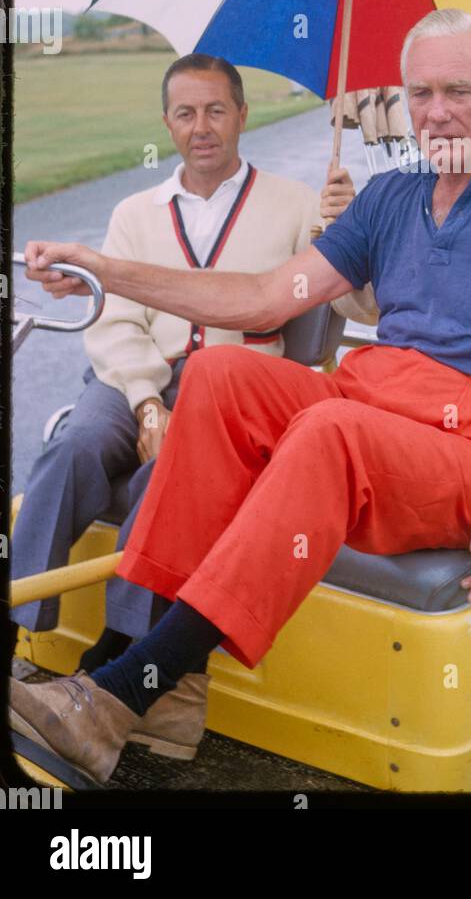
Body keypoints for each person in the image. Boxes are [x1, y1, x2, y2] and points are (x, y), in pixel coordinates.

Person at [11, 9, 471, 787]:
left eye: (459, 90)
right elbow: (257, 300)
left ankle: (117, 692)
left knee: (330, 428)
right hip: (374, 399)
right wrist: (104, 269)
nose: (437, 112)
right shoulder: (391, 196)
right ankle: (164, 687)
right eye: (421, 93)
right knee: (220, 375)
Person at [9, 53, 378, 679]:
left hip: (233, 394)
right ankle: (17, 618)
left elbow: (356, 307)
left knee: (169, 481)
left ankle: (123, 651)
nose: (201, 126)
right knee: (73, 448)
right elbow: (114, 320)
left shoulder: (297, 205)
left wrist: (345, 230)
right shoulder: (135, 213)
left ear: (241, 114)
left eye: (215, 110)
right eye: (185, 113)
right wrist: (148, 401)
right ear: (167, 122)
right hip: (134, 375)